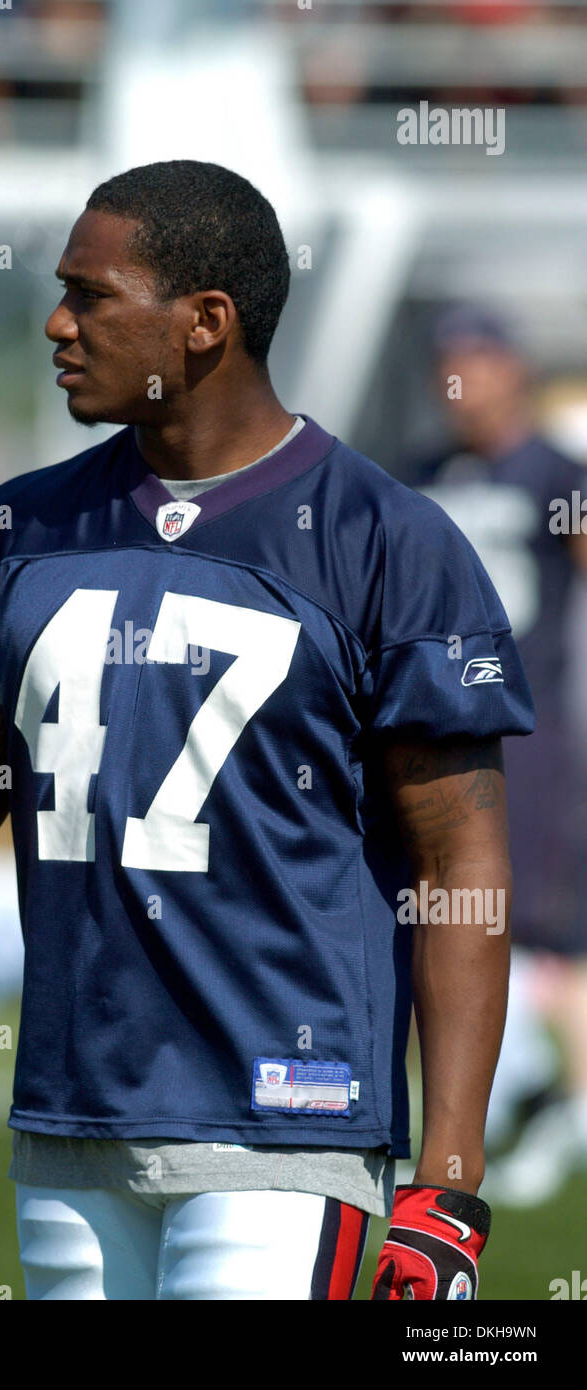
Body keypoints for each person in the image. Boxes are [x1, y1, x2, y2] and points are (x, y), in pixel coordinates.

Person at [0, 161, 533, 1300]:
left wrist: (450, 1180)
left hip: (287, 1125)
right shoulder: (18, 528)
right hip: (72, 1118)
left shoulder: (386, 540)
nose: (57, 321)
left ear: (204, 323)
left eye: (91, 295)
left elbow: (458, 864)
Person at [412, 306, 587, 1205]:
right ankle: (507, 1093)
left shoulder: (557, 473)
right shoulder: (422, 474)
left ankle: (568, 1104)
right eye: (448, 363)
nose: (459, 382)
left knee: (543, 932)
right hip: (430, 734)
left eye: (474, 361)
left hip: (531, 738)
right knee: (437, 918)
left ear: (511, 370)